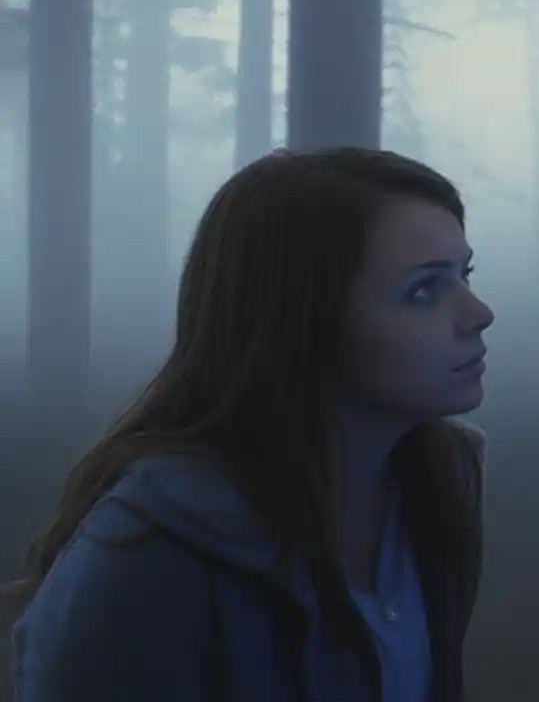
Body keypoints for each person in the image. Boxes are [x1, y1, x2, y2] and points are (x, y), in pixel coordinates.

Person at [7, 148, 495, 701]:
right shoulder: (148, 556)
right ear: (300, 318)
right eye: (424, 290)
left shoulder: (438, 487)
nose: (478, 313)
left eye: (465, 274)